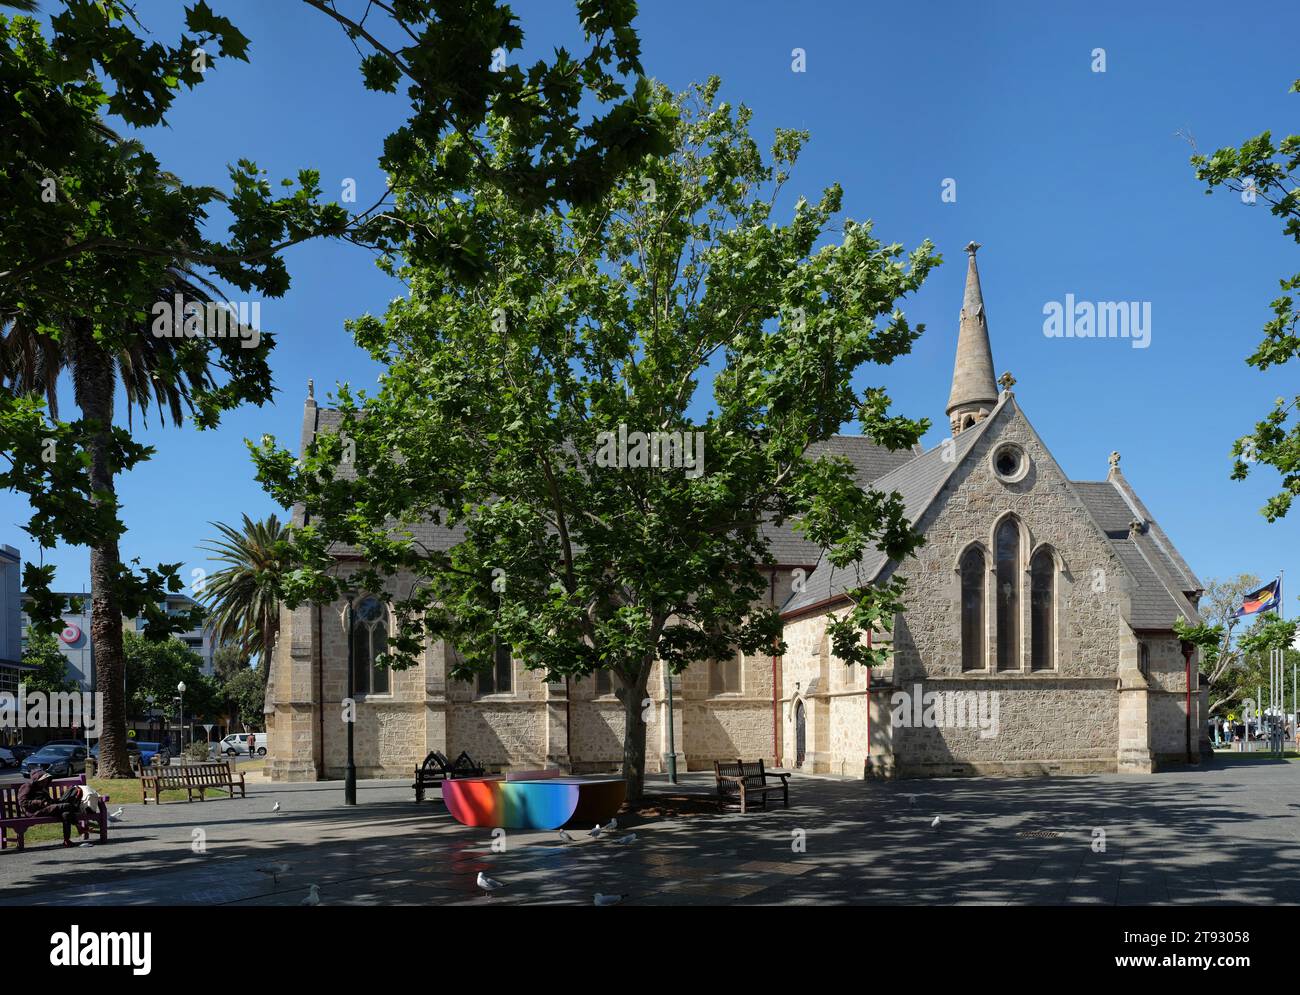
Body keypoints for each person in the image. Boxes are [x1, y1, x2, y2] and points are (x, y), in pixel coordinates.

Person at [17, 770, 82, 847]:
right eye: (43, 779)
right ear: (37, 779)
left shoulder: (42, 788)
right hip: (35, 812)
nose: (45, 781)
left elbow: (49, 801)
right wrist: (40, 802)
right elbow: (22, 802)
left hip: (47, 809)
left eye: (47, 779)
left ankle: (66, 840)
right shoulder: (27, 786)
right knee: (67, 806)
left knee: (66, 814)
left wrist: (55, 802)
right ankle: (79, 825)